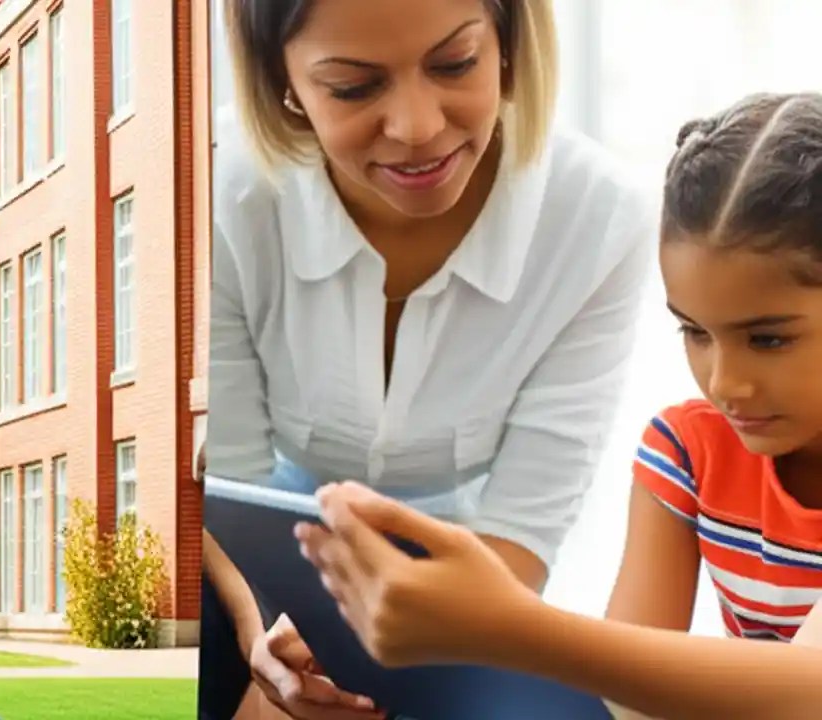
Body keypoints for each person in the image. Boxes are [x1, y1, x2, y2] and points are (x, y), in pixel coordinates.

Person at [295, 92, 822, 720]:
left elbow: (807, 688)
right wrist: (372, 658)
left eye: (768, 338)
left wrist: (504, 625)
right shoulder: (689, 453)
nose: (725, 382)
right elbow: (626, 692)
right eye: (695, 332)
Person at [204, 0, 655, 717]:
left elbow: (521, 531)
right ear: (279, 82)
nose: (417, 129)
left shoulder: (603, 218)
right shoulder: (220, 184)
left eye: (455, 64)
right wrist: (267, 636)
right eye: (353, 87)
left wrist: (370, 649)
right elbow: (226, 480)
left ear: (509, 45)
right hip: (259, 547)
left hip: (472, 554)